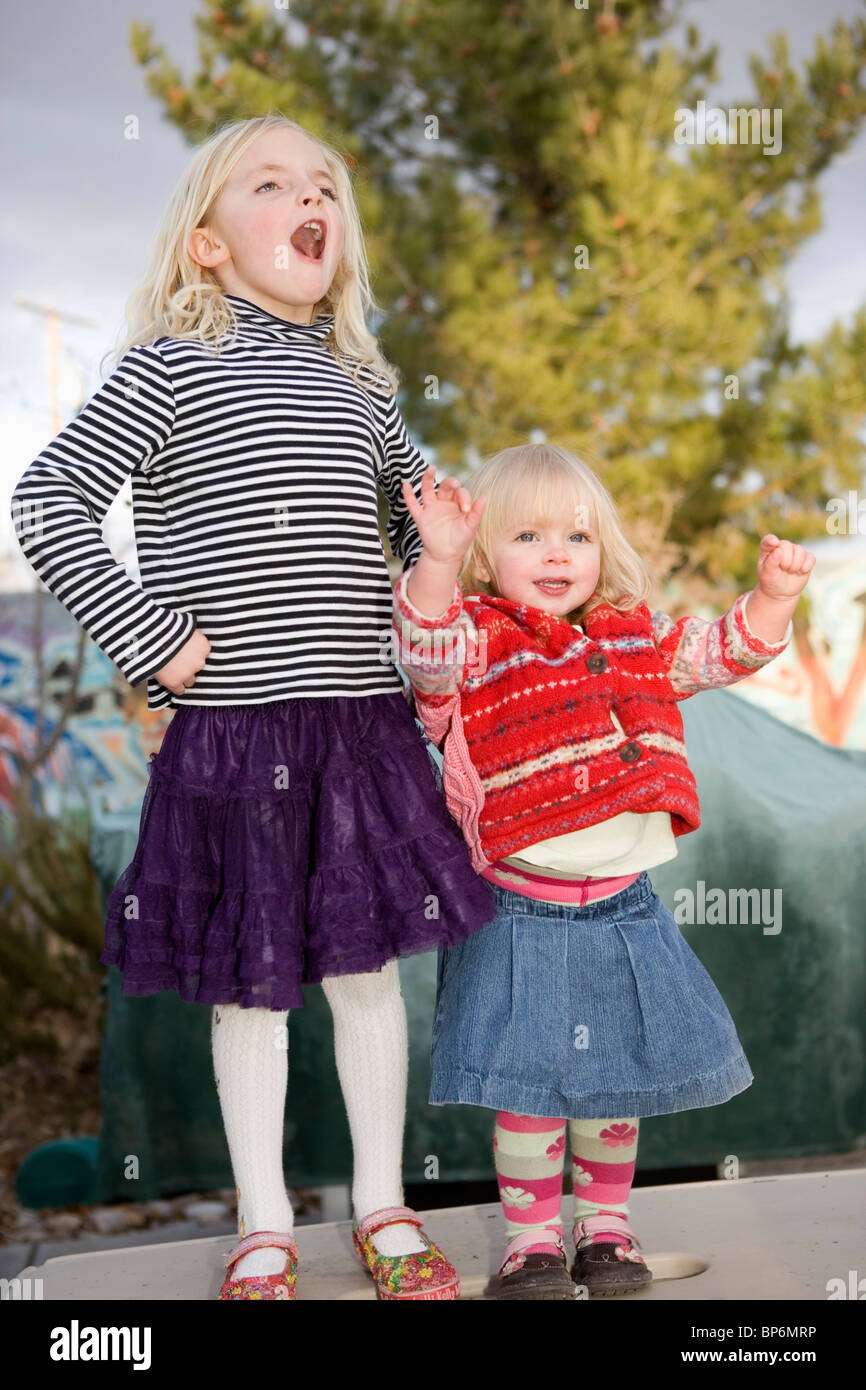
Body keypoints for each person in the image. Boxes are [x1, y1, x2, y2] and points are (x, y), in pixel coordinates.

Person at [9, 111, 498, 1301]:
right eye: (270, 184)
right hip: (234, 733)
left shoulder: (364, 382)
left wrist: (441, 550)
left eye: (322, 185)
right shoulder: (170, 365)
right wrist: (152, 639)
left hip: (362, 728)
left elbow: (409, 550)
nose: (306, 199)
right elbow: (49, 499)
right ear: (210, 244)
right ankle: (265, 1222)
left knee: (367, 977)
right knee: (250, 980)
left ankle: (381, 1210)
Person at [391, 442, 814, 1299]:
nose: (557, 554)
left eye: (577, 537)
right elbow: (422, 654)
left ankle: (607, 1231)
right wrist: (434, 560)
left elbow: (716, 653)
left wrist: (772, 599)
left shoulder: (634, 633)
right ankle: (531, 1244)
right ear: (482, 553)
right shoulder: (476, 638)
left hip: (625, 907)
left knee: (615, 1078)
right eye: (529, 536)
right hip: (519, 908)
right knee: (532, 1088)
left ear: (602, 551)